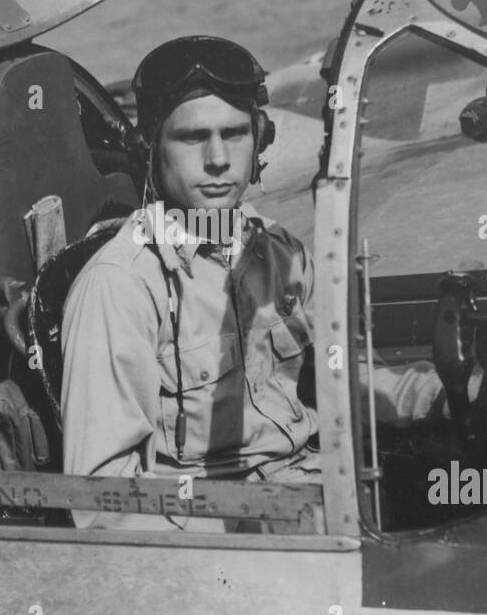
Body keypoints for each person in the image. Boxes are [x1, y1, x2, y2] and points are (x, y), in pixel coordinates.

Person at [59, 36, 444, 528]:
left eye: (235, 133)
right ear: (152, 149)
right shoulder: (120, 287)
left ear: (260, 141)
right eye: (193, 138)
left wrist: (438, 396)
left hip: (324, 493)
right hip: (235, 545)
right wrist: (248, 529)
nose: (218, 158)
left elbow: (340, 376)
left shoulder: (276, 251)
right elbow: (102, 505)